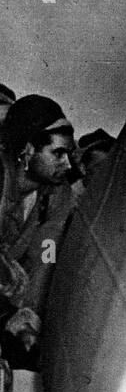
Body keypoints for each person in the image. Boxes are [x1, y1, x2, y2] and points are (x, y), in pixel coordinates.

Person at [0, 94, 78, 363]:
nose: (68, 164)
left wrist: (30, 313)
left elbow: (46, 255)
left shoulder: (57, 194)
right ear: (29, 149)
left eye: (69, 153)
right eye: (58, 153)